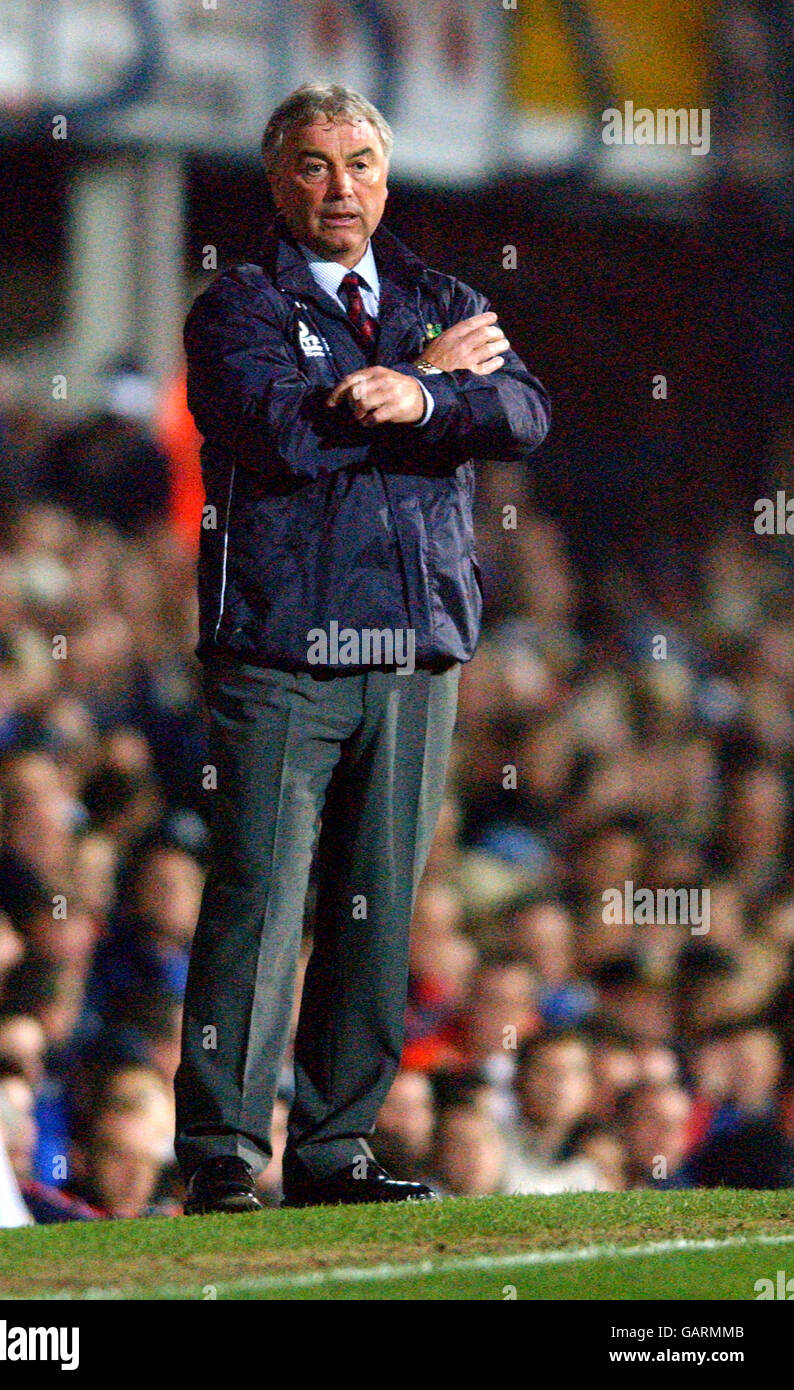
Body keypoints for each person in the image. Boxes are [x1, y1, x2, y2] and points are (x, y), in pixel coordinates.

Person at [174, 81, 550, 1212]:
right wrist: (411, 395)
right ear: (275, 178)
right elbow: (276, 431)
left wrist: (421, 391)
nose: (339, 187)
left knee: (374, 906)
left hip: (414, 649)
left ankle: (334, 1150)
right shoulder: (237, 306)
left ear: (385, 177)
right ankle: (224, 1155)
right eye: (312, 164)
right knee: (259, 896)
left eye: (358, 163)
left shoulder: (440, 297)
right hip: (283, 650)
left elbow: (523, 412)